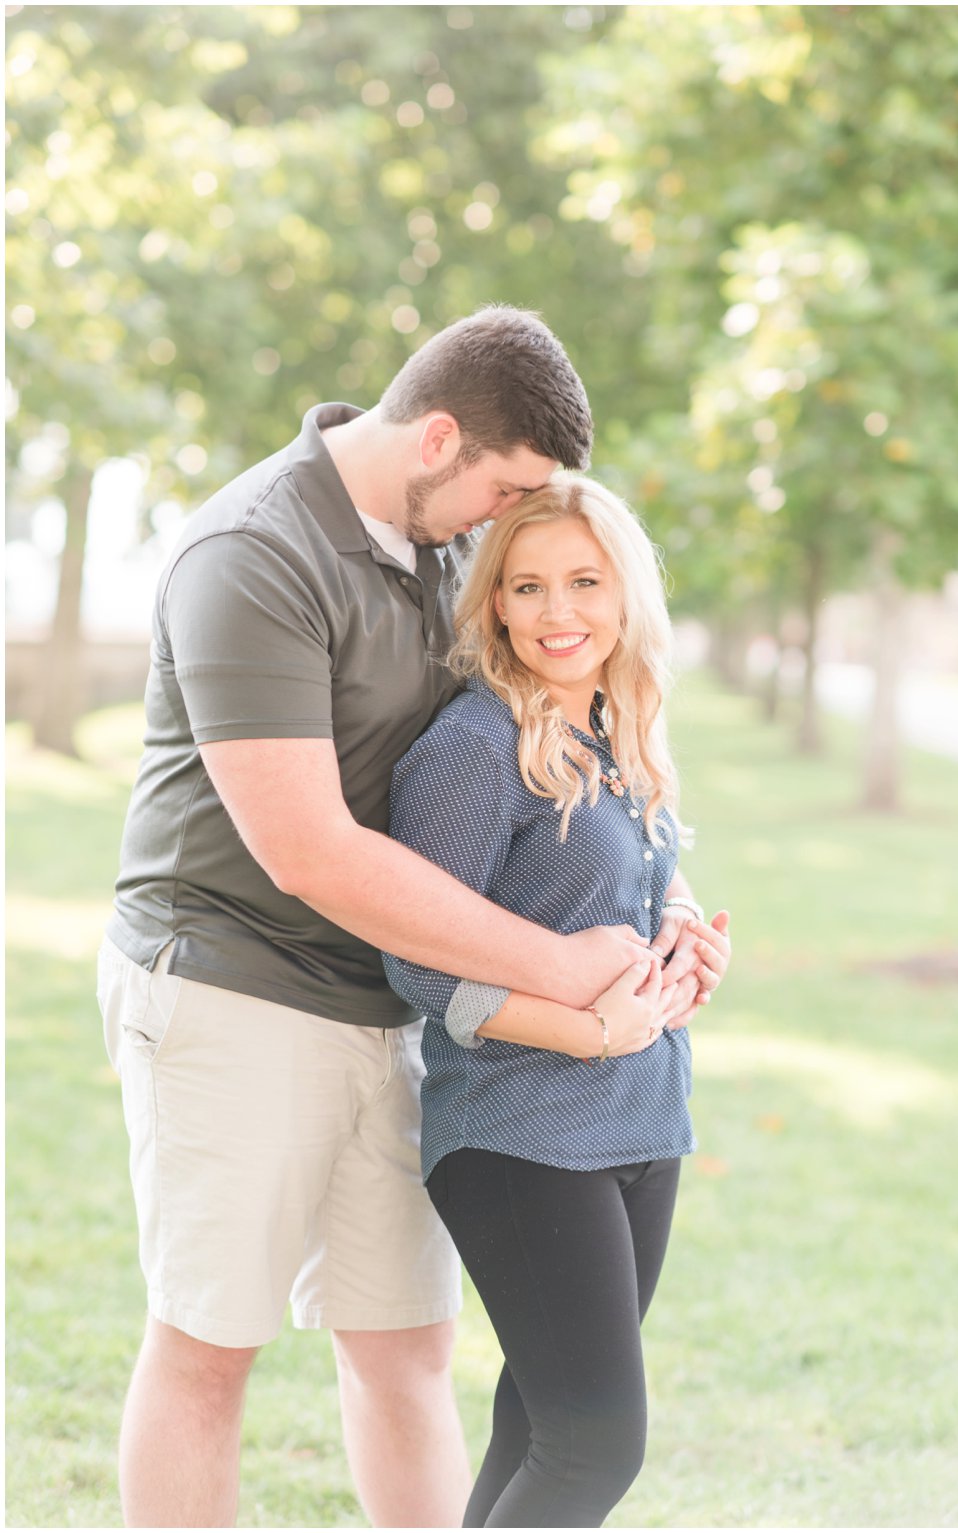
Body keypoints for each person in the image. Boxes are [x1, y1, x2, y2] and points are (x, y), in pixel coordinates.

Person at [95, 307, 727, 1526]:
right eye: (506, 489)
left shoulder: (440, 547)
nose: (511, 522)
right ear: (437, 438)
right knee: (208, 1347)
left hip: (403, 1009)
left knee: (403, 1347)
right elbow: (311, 851)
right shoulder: (252, 554)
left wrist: (662, 911)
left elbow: (563, 751)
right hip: (234, 986)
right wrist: (568, 978)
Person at [381, 474, 711, 1527]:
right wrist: (586, 1025)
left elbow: (630, 882)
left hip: (641, 1120)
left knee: (541, 1428)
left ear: (627, 596)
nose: (556, 613)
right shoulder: (473, 751)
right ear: (495, 605)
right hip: (522, 1136)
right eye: (527, 588)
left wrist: (691, 941)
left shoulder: (618, 732)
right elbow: (415, 963)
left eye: (583, 581)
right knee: (595, 1449)